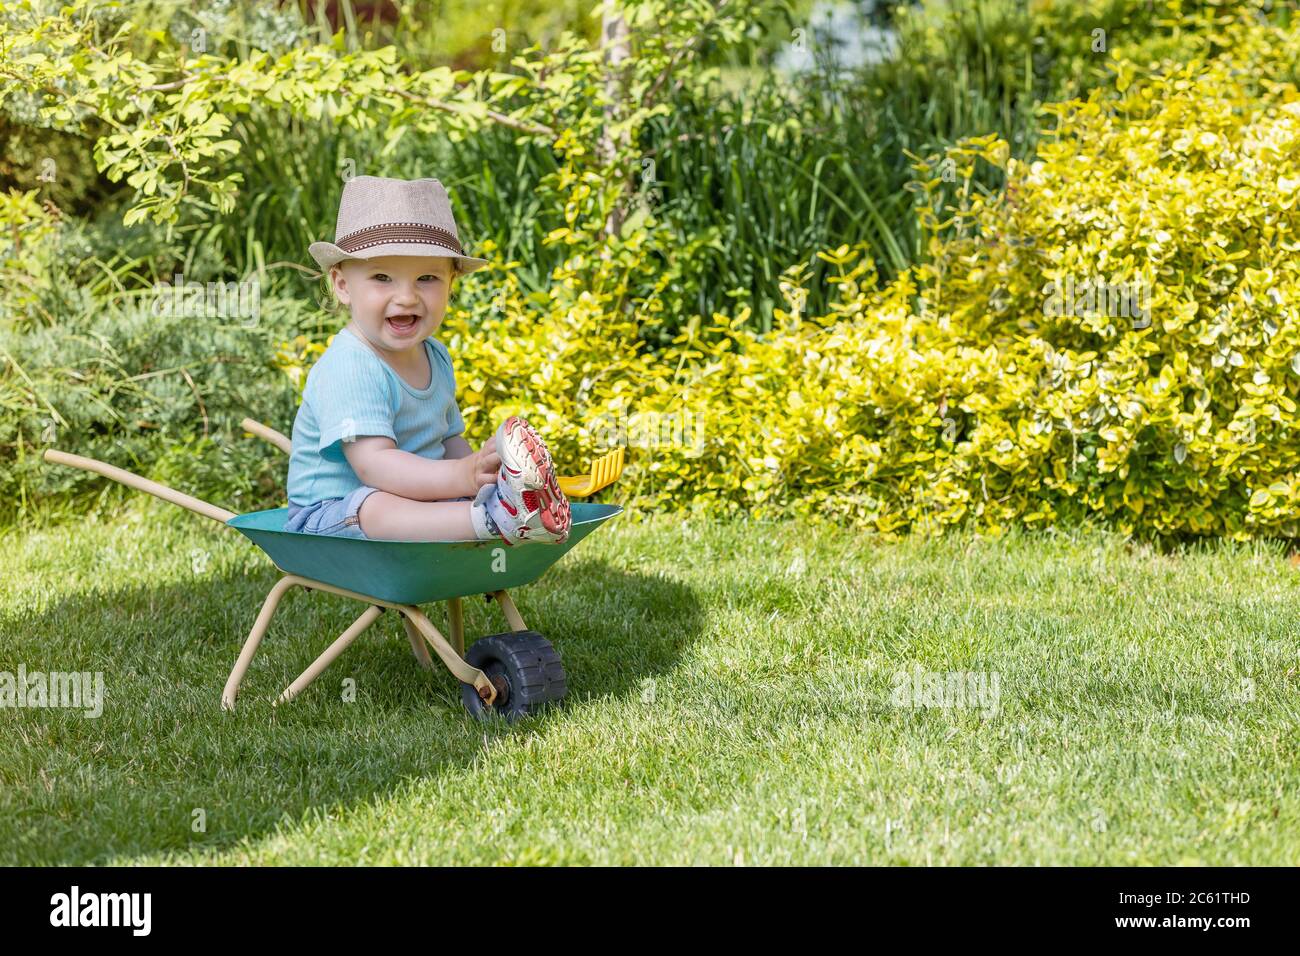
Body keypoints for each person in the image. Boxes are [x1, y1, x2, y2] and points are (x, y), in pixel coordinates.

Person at [284, 175, 570, 545]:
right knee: (375, 505)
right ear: (341, 285)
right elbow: (374, 466)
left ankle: (500, 510)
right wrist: (462, 476)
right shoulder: (351, 365)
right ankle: (491, 523)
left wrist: (482, 477)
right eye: (382, 277)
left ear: (451, 284)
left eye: (427, 278)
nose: (406, 297)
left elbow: (449, 440)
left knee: (462, 491)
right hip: (331, 517)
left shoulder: (435, 355)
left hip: (412, 501)